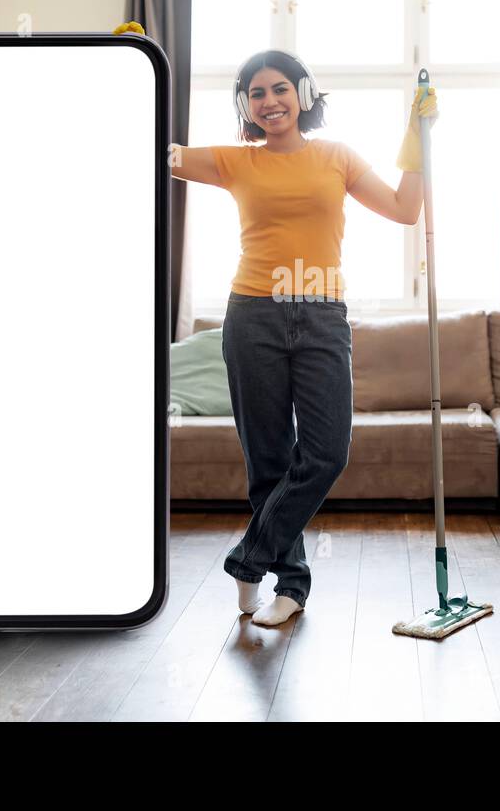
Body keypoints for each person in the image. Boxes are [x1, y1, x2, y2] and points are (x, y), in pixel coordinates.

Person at [169, 47, 436, 626]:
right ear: (246, 105)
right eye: (257, 93)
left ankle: (249, 559)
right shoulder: (234, 161)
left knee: (325, 454)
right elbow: (159, 155)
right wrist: (130, 69)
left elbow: (404, 208)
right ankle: (290, 586)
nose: (270, 101)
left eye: (280, 89)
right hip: (252, 318)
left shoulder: (336, 156)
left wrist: (418, 136)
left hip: (320, 316)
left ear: (303, 94)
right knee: (267, 460)